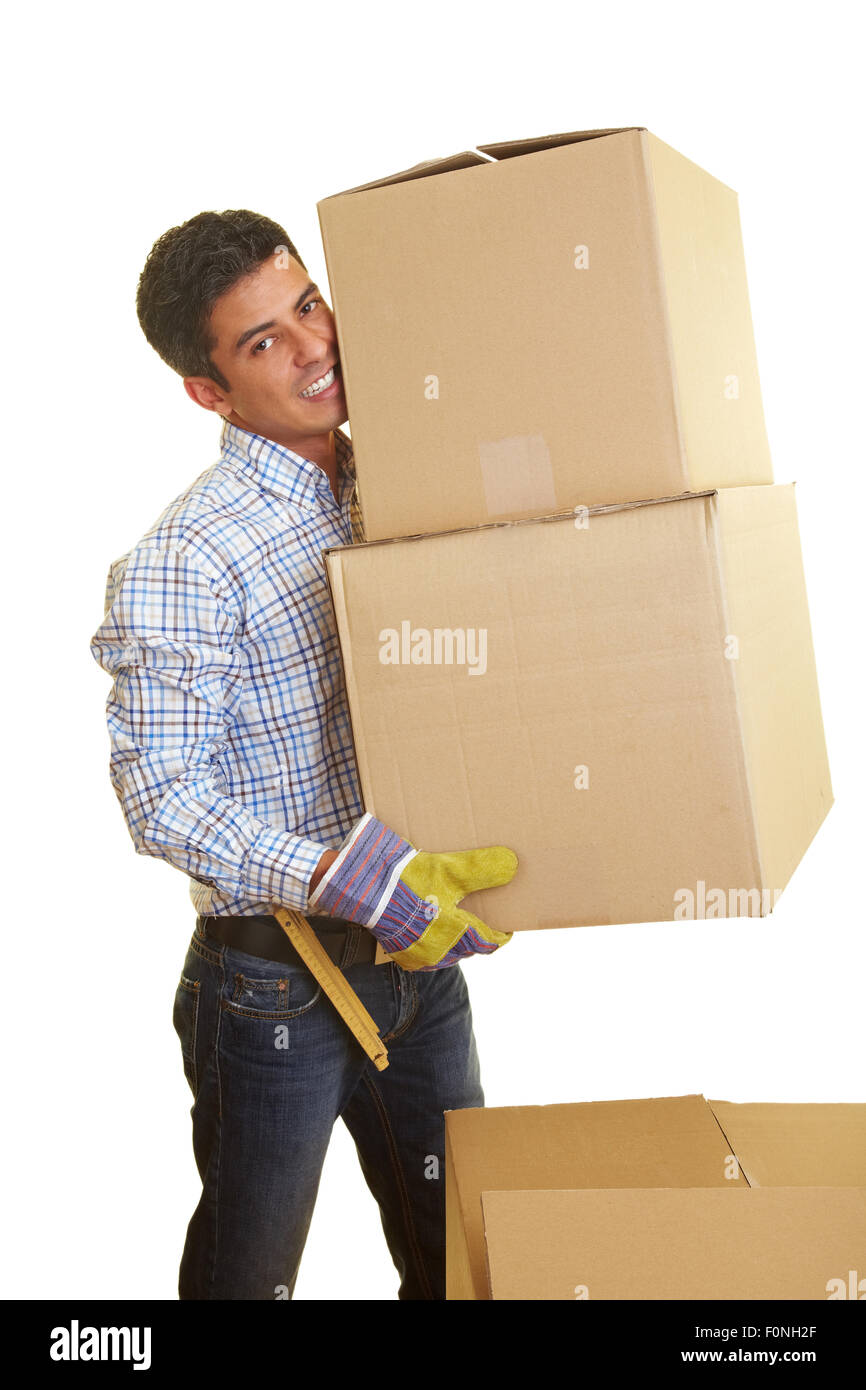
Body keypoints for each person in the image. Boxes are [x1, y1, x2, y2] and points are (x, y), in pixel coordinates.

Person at [90, 209, 518, 1301]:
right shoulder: (185, 557)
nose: (314, 348)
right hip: (271, 985)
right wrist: (358, 878)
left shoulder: (395, 484)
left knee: (464, 1261)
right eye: (263, 342)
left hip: (416, 962)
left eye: (309, 307)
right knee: (247, 1286)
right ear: (209, 391)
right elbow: (163, 800)